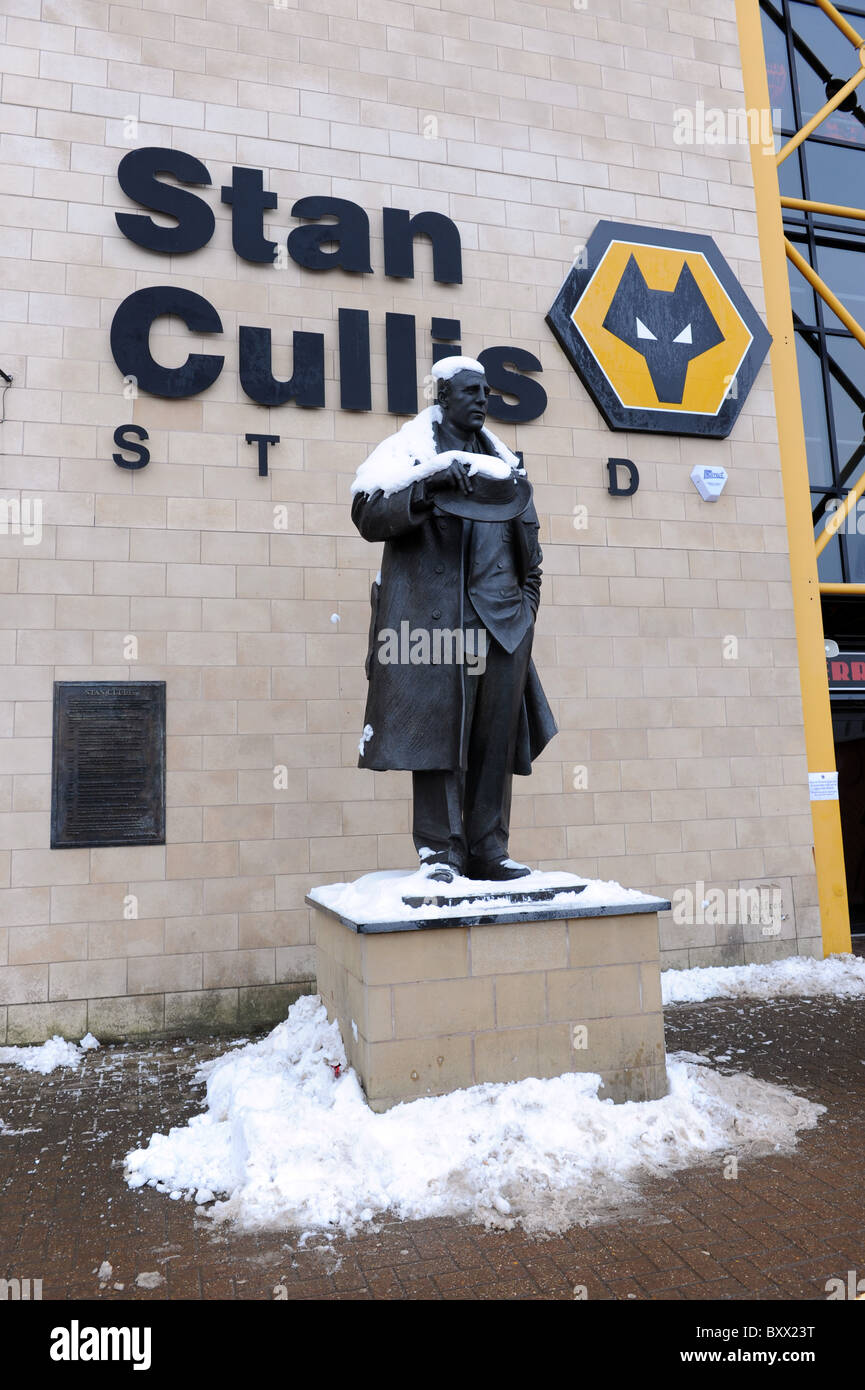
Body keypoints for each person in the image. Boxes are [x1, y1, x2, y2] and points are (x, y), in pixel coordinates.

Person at [350, 356, 557, 882]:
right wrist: (428, 486)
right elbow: (367, 512)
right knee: (438, 741)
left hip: (503, 628)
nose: (483, 400)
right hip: (434, 627)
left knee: (494, 744)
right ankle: (440, 853)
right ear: (442, 396)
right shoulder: (409, 452)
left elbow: (531, 557)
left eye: (486, 392)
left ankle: (489, 850)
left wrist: (525, 615)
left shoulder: (504, 464)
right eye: (471, 391)